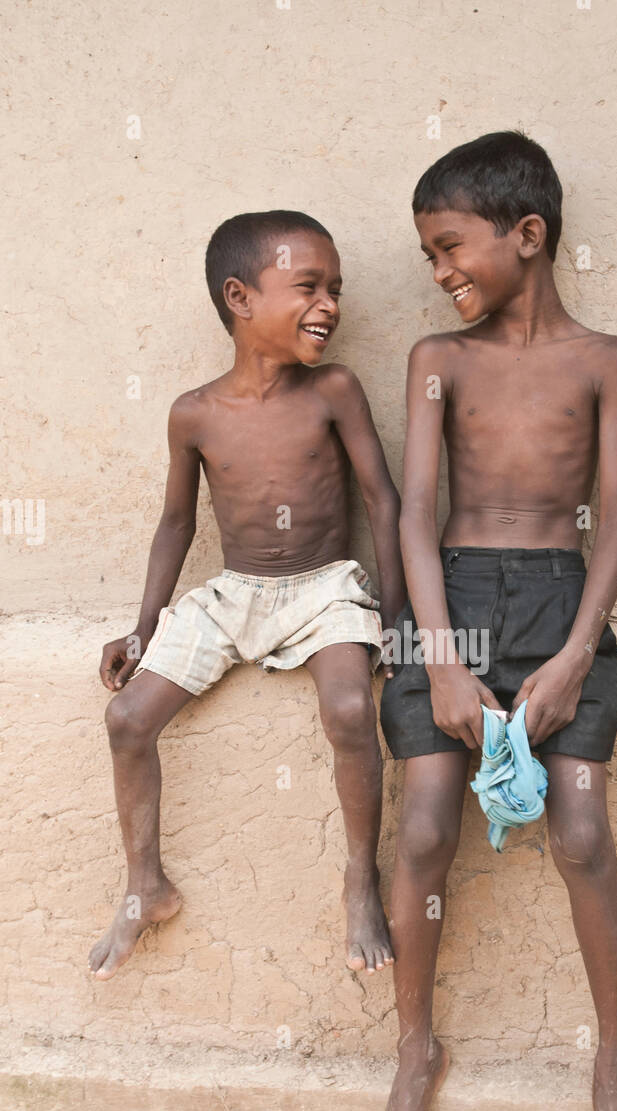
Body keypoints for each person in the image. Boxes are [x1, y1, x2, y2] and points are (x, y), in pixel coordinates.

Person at [369, 134, 617, 1111]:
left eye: (449, 248)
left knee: (580, 829)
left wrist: (579, 651)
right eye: (429, 255)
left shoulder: (604, 362)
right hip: (452, 602)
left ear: (527, 236)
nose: (439, 272)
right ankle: (414, 1047)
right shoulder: (437, 361)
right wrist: (440, 658)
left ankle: (615, 1061)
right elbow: (414, 515)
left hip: (561, 603)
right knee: (430, 825)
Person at [91, 211, 404, 981]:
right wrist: (142, 629)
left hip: (326, 588)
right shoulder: (194, 414)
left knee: (348, 709)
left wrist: (398, 620)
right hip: (235, 594)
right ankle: (145, 885)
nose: (331, 303)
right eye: (309, 287)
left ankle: (361, 879)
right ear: (239, 297)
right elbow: (174, 524)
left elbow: (384, 502)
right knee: (127, 718)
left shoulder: (334, 390)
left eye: (336, 288)